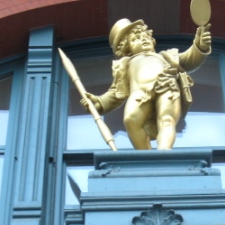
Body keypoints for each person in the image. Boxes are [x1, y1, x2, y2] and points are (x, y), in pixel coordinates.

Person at [82, 18, 212, 150]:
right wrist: (99, 102)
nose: (143, 39)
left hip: (166, 85)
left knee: (167, 119)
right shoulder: (125, 64)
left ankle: (164, 151)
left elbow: (188, 59)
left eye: (145, 36)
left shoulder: (165, 56)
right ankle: (146, 154)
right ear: (126, 47)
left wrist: (199, 46)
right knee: (131, 120)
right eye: (136, 38)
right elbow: (116, 92)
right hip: (140, 92)